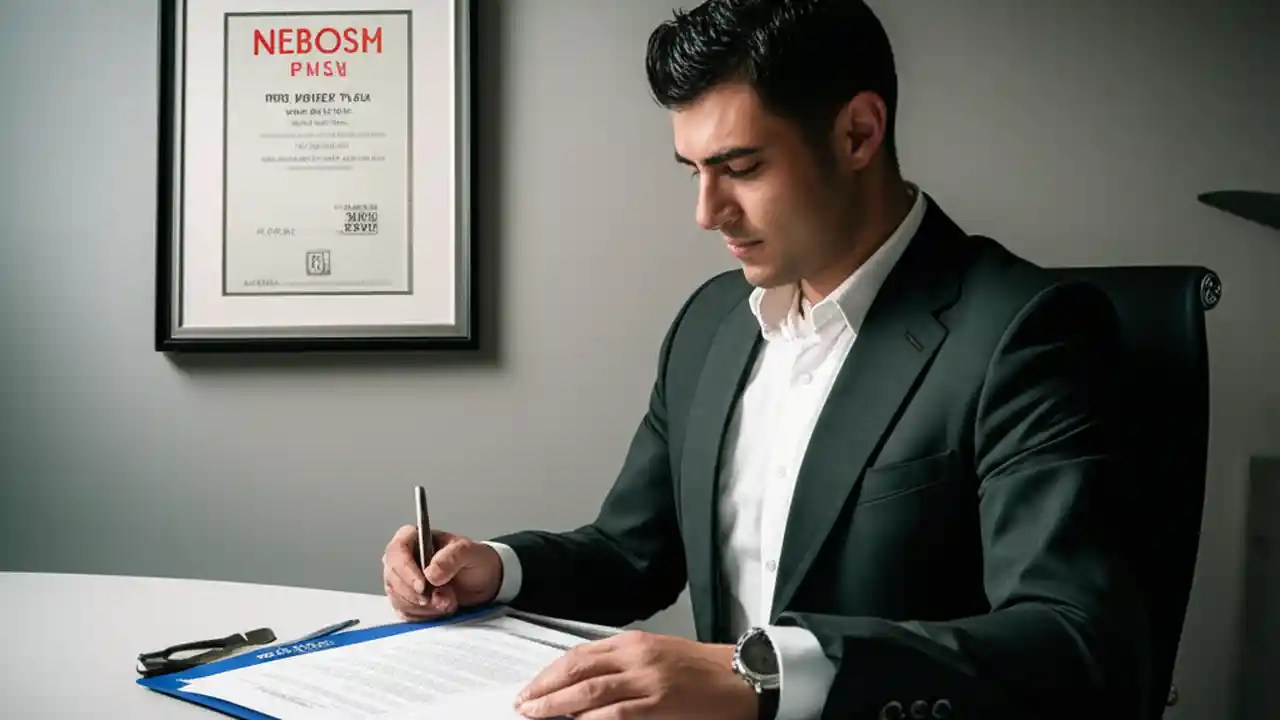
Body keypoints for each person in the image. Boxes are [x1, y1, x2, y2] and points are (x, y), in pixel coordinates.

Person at [381, 1, 1149, 718]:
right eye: (694, 171)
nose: (706, 212)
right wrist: (494, 570)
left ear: (858, 133)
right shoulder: (712, 320)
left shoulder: (1028, 331)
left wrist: (762, 675)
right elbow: (630, 552)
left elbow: (1075, 640)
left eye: (741, 168)